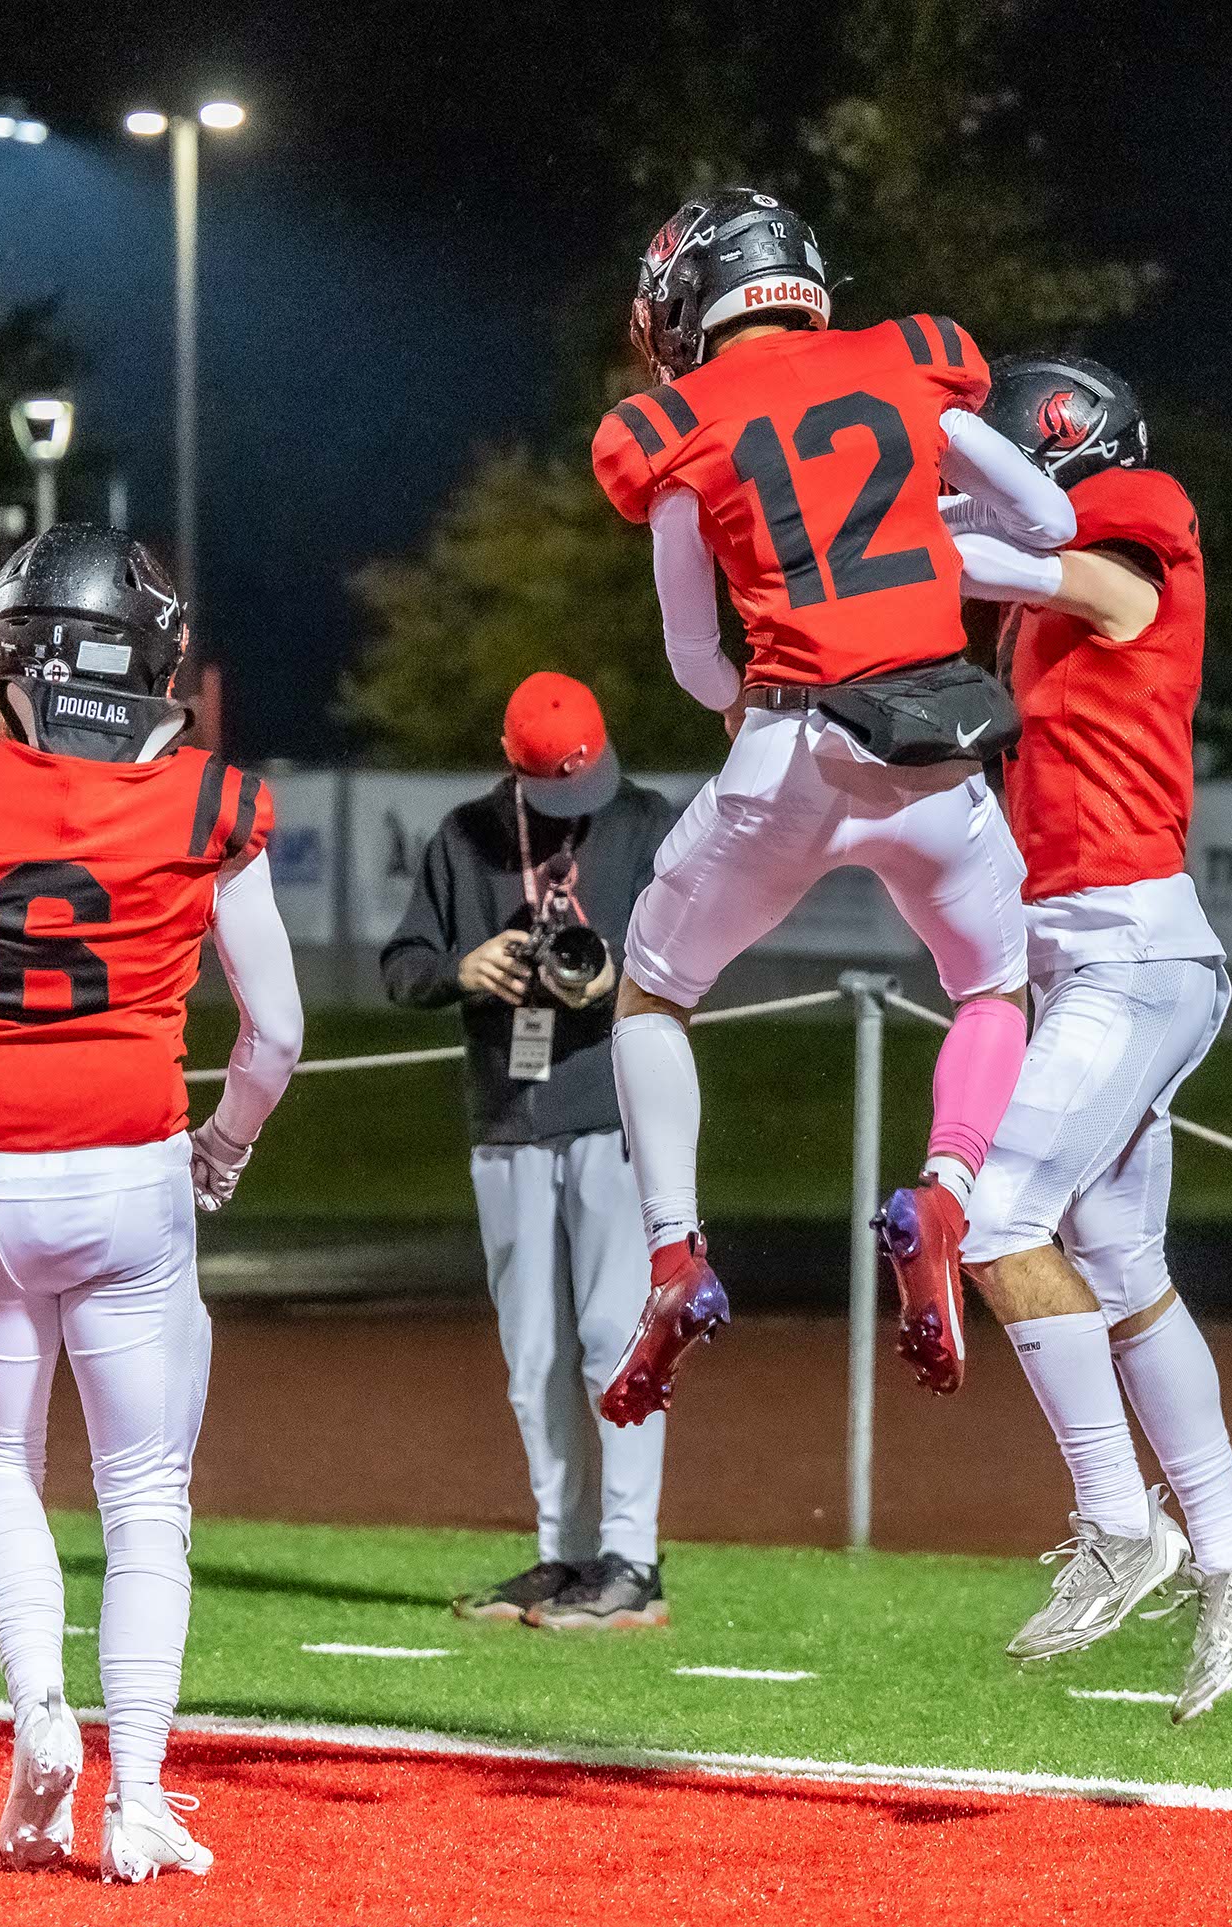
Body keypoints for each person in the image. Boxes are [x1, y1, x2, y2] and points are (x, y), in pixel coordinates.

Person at [0, 523, 303, 1879]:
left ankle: (39, 1709)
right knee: (145, 1493)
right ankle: (136, 1790)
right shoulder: (210, 801)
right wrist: (222, 1146)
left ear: (15, 647)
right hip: (135, 1171)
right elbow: (271, 1033)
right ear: (146, 654)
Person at [587, 187, 1077, 1427]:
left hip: (792, 747)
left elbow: (697, 659)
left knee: (653, 989)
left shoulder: (672, 425)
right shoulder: (910, 361)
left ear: (695, 299)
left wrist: (754, 708)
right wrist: (926, 537)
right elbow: (1052, 519)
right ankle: (947, 1194)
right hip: (934, 748)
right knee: (990, 984)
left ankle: (675, 1252)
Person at [944, 356, 1232, 1725]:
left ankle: (1119, 1517)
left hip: (1129, 946)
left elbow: (1100, 586)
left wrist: (941, 543)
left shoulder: (1135, 511)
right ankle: (1228, 1551)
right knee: (1115, 1256)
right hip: (1086, 947)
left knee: (994, 1220)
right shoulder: (1025, 612)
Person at [381, 673, 678, 1629]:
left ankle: (632, 1559)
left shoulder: (644, 820)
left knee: (614, 1343)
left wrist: (619, 978)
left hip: (617, 1107)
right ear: (515, 770)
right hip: (508, 1115)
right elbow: (404, 965)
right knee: (534, 1355)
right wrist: (463, 971)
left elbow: (697, 953)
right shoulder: (467, 835)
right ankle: (566, 1553)